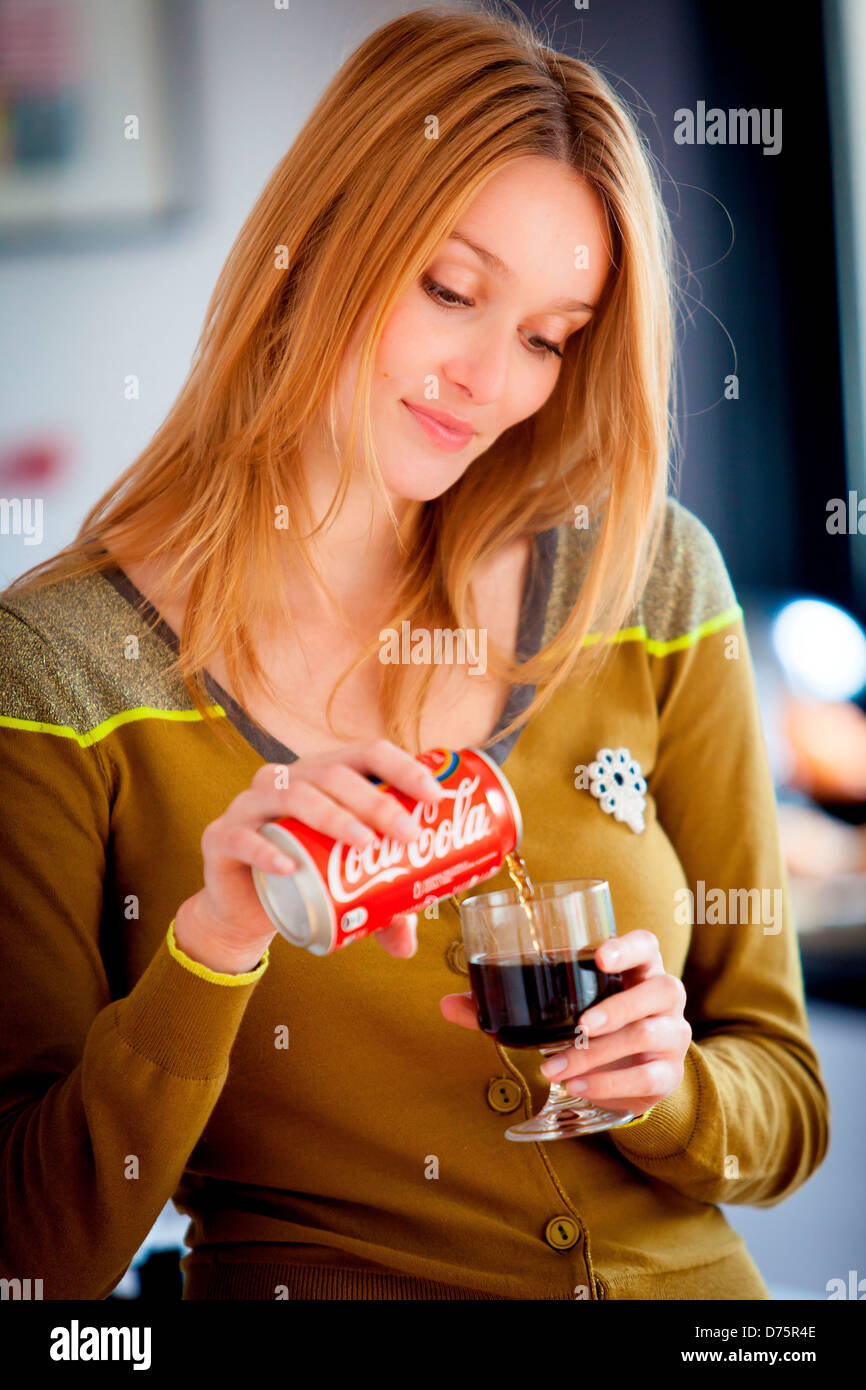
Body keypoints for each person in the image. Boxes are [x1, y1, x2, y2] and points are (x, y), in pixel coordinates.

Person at [0, 3, 829, 1301]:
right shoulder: (57, 672)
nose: (489, 382)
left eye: (550, 336)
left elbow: (780, 1098)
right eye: (452, 290)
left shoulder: (648, 577)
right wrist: (217, 939)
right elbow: (34, 1264)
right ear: (317, 239)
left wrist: (673, 1090)